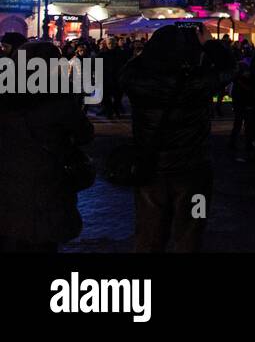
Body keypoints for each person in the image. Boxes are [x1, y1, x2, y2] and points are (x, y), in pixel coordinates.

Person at [119, 23, 228, 252]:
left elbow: (128, 70)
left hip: (151, 169)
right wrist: (208, 43)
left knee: (149, 232)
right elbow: (229, 68)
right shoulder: (196, 82)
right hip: (193, 172)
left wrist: (148, 53)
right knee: (191, 230)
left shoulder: (137, 79)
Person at [0, 41, 95, 251]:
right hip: (49, 177)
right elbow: (85, 134)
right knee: (43, 239)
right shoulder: (60, 100)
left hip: (8, 177)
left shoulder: (5, 97)